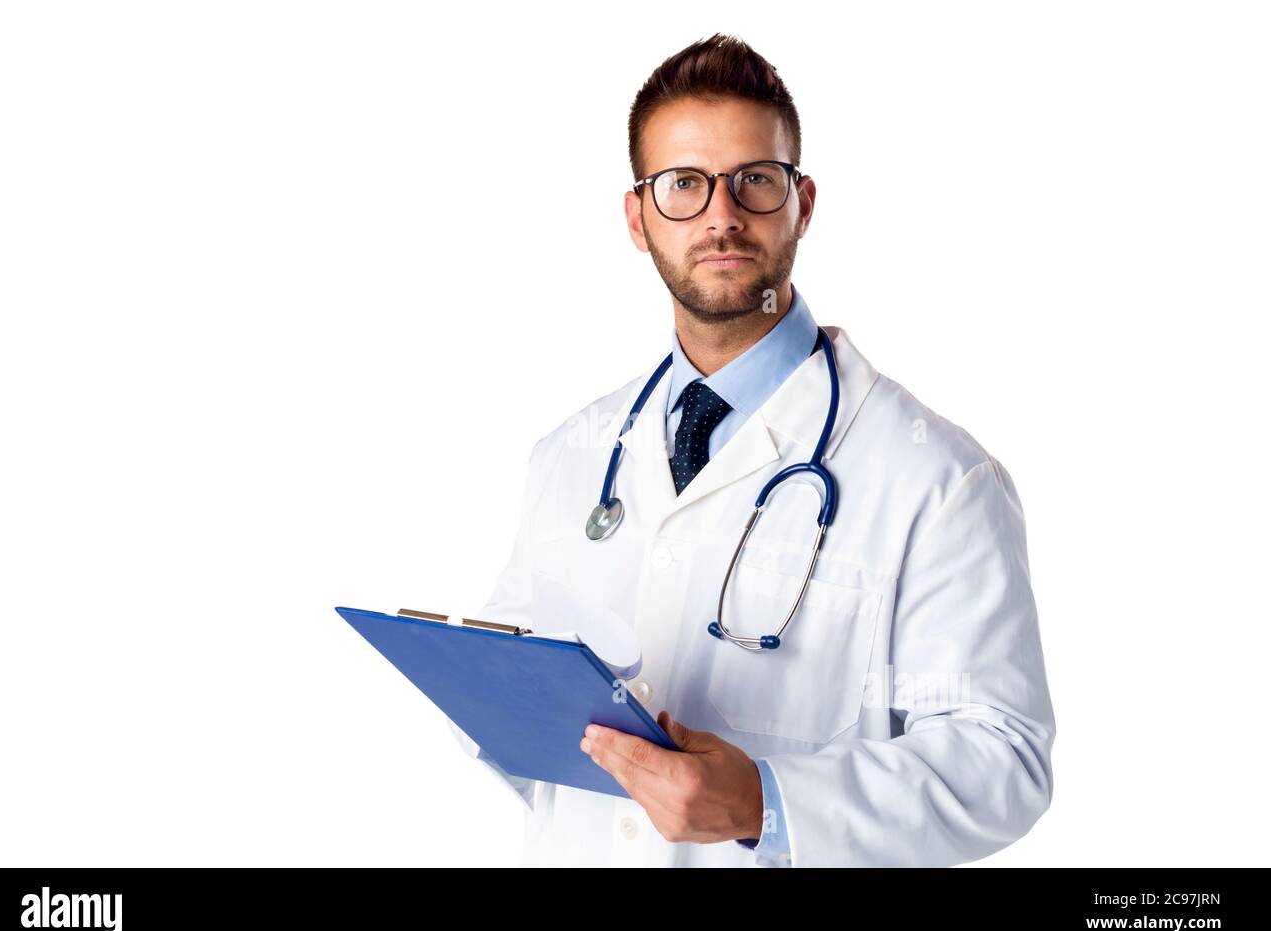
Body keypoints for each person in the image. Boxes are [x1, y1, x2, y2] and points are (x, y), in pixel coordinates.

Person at [449, 33, 1056, 867]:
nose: (722, 216)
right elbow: (513, 702)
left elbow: (1004, 758)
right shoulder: (569, 457)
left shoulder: (936, 478)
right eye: (684, 185)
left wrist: (765, 802)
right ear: (638, 217)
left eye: (754, 182)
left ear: (803, 202)